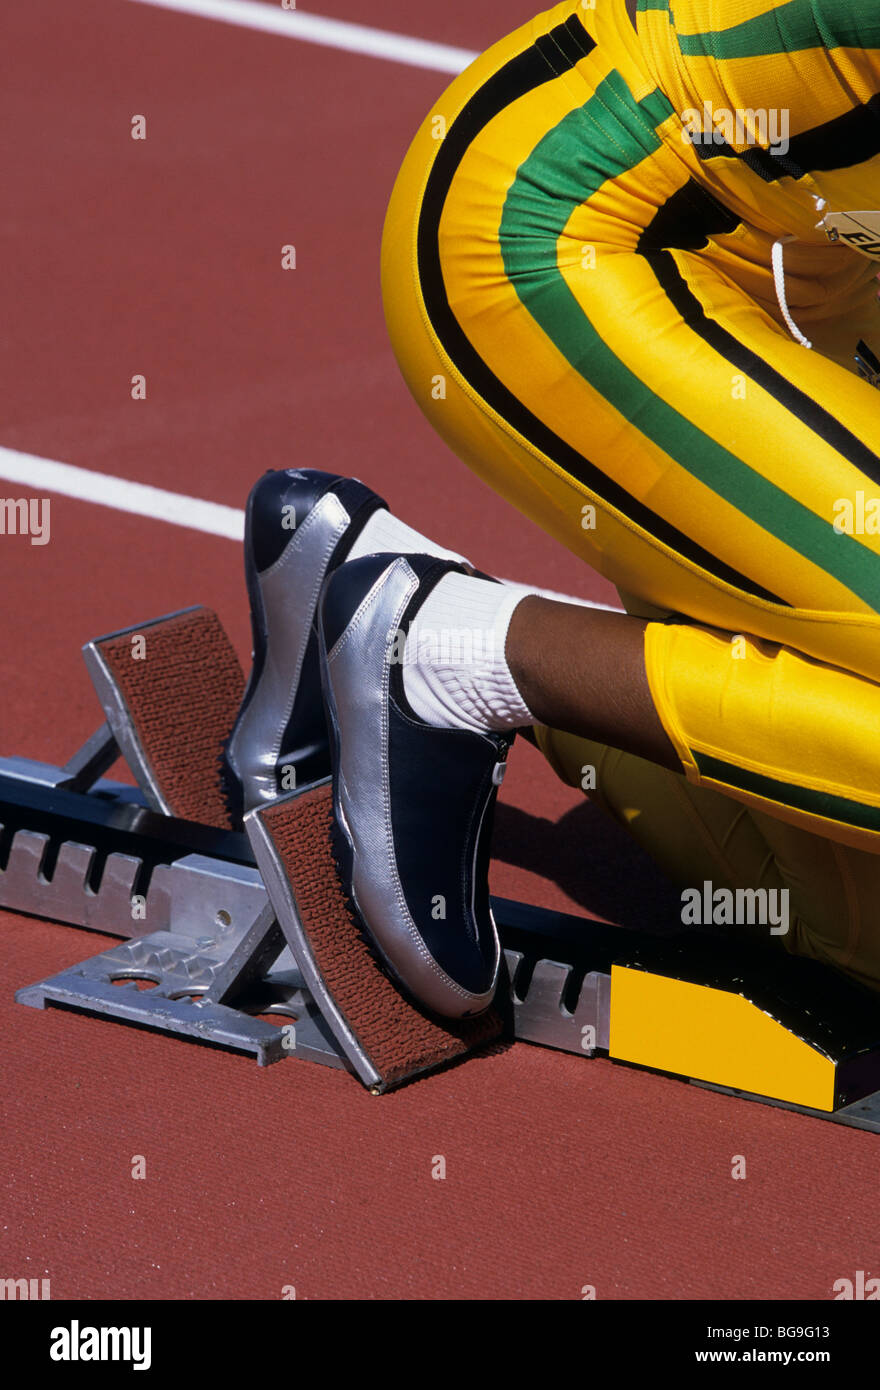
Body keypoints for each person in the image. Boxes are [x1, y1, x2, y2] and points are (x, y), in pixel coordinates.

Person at [226, 1, 880, 1016]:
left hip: (810, 259)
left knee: (858, 935)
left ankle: (438, 619)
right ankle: (439, 655)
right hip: (568, 219)